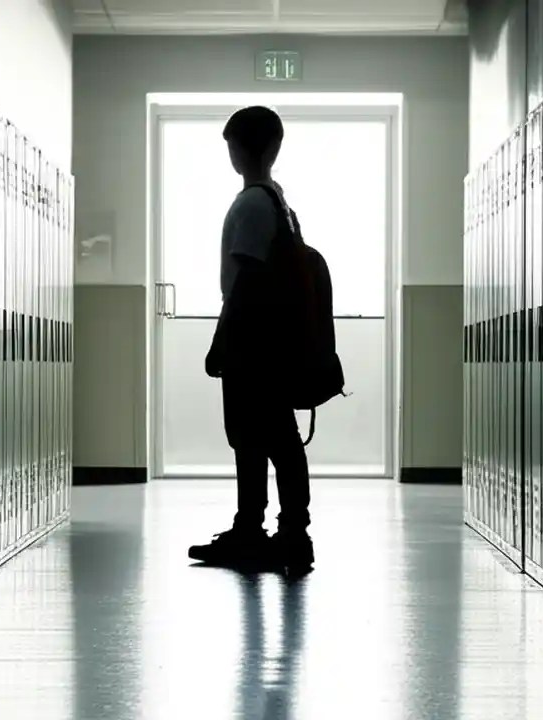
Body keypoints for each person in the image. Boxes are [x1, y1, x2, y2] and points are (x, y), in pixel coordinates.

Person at [188, 106, 314, 573]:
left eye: (233, 146)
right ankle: (281, 531)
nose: (232, 154)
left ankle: (267, 532)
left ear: (240, 151)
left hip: (252, 340)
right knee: (277, 438)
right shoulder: (280, 203)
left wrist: (221, 340)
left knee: (256, 438)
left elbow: (245, 281)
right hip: (274, 340)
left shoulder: (251, 205)